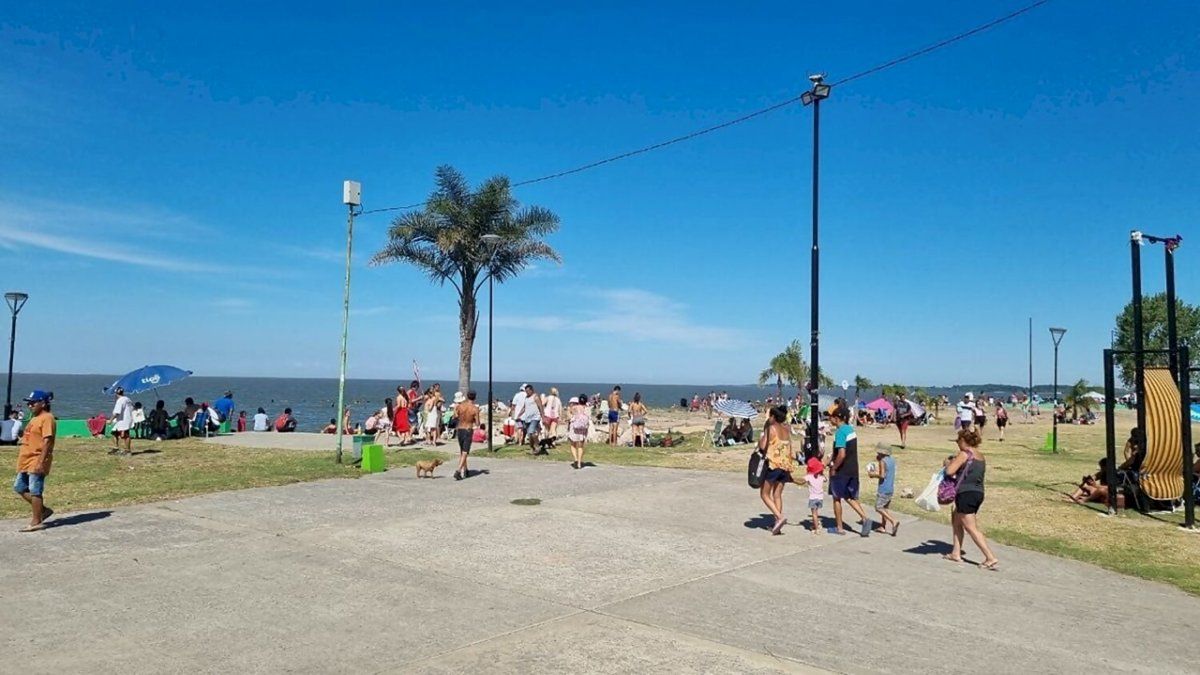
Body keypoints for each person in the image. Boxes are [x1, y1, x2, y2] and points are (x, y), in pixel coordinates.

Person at [944, 428, 999, 570]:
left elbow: (950, 471)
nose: (957, 443)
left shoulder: (964, 454)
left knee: (970, 527)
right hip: (978, 492)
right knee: (956, 519)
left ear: (963, 441)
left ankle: (990, 557)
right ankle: (956, 553)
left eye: (958, 440)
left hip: (966, 493)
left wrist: (947, 463)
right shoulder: (980, 456)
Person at [13, 390, 55, 532]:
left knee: (35, 490)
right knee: (19, 487)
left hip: (36, 459)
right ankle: (43, 510)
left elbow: (47, 441)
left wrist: (41, 461)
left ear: (43, 403)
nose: (30, 405)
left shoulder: (47, 418)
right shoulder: (34, 417)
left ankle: (36, 521)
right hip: (26, 459)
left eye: (33, 402)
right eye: (29, 403)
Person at [829, 408, 870, 536]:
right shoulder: (851, 429)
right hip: (853, 468)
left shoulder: (840, 432)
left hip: (842, 470)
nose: (829, 419)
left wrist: (834, 468)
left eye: (831, 416)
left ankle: (839, 527)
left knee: (836, 497)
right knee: (850, 496)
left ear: (837, 418)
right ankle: (864, 517)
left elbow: (841, 454)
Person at [757, 405, 794, 535]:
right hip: (785, 466)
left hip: (773, 465)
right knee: (777, 495)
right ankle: (777, 524)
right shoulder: (786, 430)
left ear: (773, 417)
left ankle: (779, 517)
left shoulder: (771, 428)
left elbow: (762, 446)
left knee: (764, 494)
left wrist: (763, 433)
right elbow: (790, 449)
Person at [868, 443, 899, 536]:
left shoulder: (882, 461)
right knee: (885, 508)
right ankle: (883, 526)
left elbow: (882, 475)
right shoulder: (892, 460)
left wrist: (872, 475)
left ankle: (893, 521)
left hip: (883, 488)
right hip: (890, 487)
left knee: (878, 507)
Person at [453, 390, 480, 480]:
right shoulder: (474, 409)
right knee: (465, 452)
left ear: (467, 397)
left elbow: (455, 416)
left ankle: (466, 469)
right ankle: (458, 470)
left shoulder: (460, 406)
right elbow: (477, 423)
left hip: (460, 429)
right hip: (468, 429)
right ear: (475, 397)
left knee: (462, 451)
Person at [519, 384, 544, 454]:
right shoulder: (526, 398)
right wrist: (519, 415)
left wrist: (543, 417)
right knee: (529, 435)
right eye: (526, 391)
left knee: (531, 431)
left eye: (528, 391)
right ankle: (533, 448)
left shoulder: (535, 397)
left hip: (535, 417)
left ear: (531, 390)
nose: (527, 392)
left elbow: (540, 407)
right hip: (527, 418)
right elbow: (524, 407)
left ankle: (537, 445)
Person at [803, 456, 825, 534]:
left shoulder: (809, 476)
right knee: (817, 512)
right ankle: (815, 525)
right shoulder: (821, 477)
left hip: (813, 498)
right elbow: (825, 480)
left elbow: (802, 481)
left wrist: (792, 480)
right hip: (820, 498)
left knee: (814, 514)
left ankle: (816, 528)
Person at [568, 394, 590, 469]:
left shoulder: (574, 407)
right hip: (583, 429)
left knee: (573, 444)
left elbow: (570, 414)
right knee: (580, 446)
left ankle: (575, 459)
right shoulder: (587, 408)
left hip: (574, 427)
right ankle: (579, 463)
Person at [110, 386, 134, 456]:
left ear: (116, 393)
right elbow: (132, 408)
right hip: (127, 419)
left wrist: (110, 420)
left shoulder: (120, 400)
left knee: (125, 435)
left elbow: (117, 412)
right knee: (114, 433)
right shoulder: (128, 399)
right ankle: (116, 448)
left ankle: (128, 451)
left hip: (123, 421)